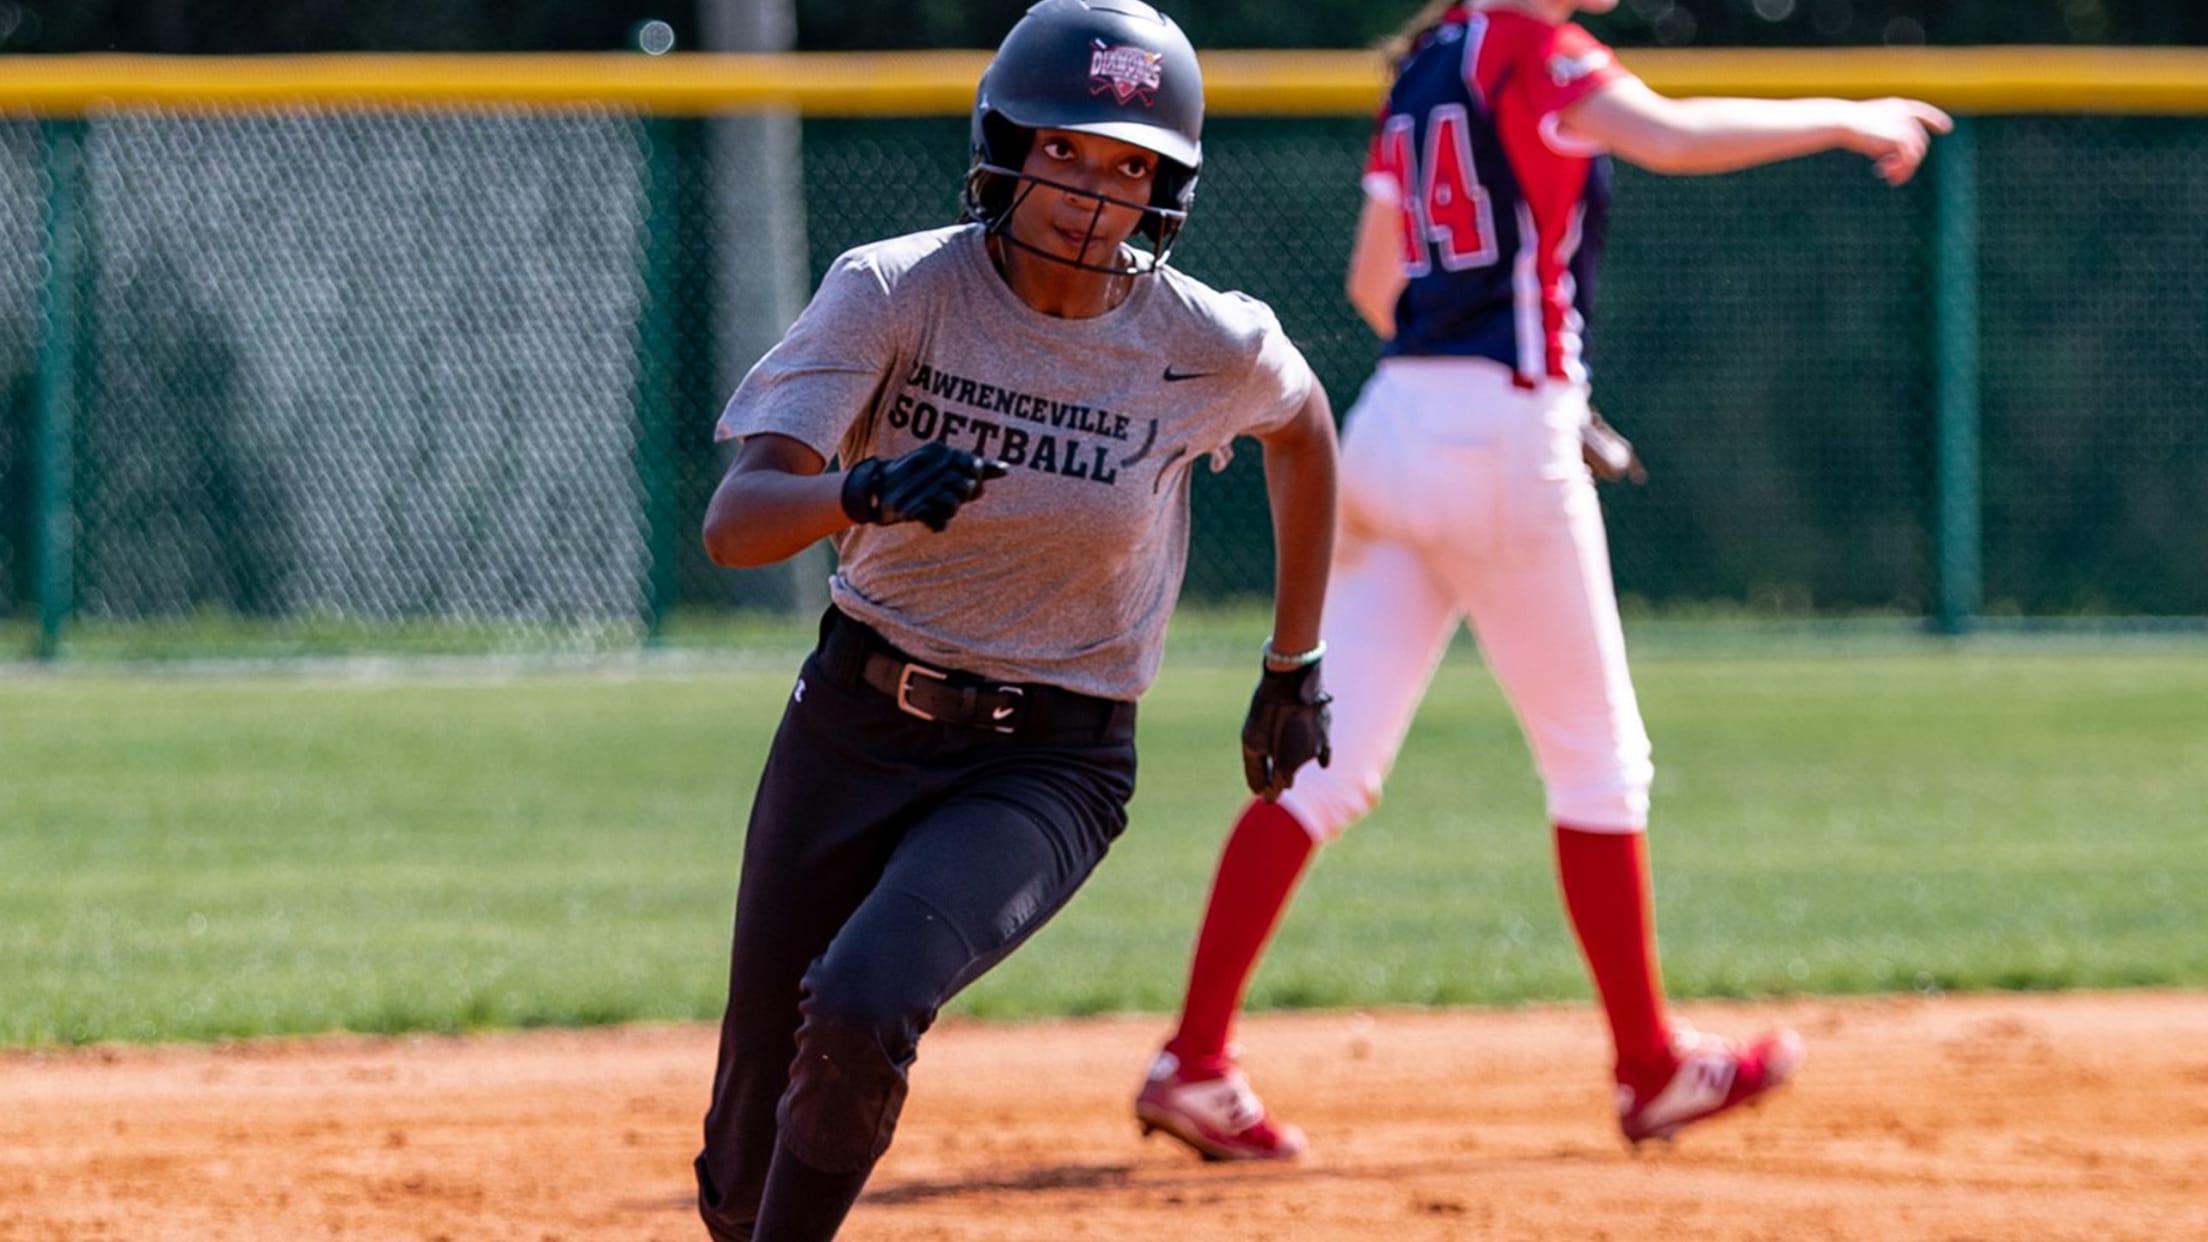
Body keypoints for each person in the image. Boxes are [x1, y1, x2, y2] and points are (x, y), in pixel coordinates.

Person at [1133, 0, 1952, 1160]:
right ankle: (1653, 1068)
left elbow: (1380, 284)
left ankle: (1196, 1059)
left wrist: (1532, 388)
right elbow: (1662, 134)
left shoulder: (1423, 64)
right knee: (1600, 764)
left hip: (1395, 422)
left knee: (1326, 766)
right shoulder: (1533, 42)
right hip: (1500, 436)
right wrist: (1847, 117)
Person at [690, 1, 1340, 1236]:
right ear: (1005, 144)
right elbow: (738, 522)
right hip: (852, 723)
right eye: (1065, 149)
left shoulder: (1200, 340)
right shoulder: (897, 291)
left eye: (1131, 164)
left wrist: (1293, 662)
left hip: (1050, 756)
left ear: (1167, 186)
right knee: (747, 1144)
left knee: (868, 1000)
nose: (1093, 190)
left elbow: (1302, 429)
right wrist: (861, 490)